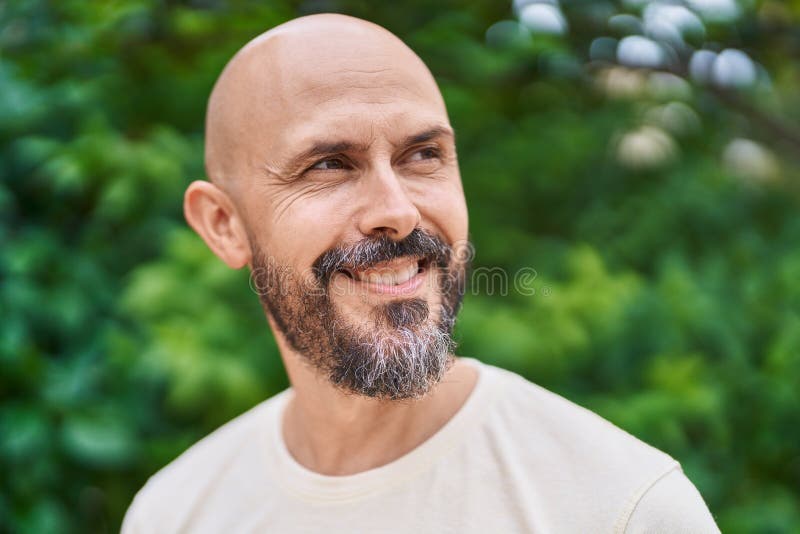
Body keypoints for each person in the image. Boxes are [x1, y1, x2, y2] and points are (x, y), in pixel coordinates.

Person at [122, 13, 720, 533]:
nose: (399, 212)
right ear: (224, 225)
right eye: (329, 164)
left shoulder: (623, 510)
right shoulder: (174, 515)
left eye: (423, 155)